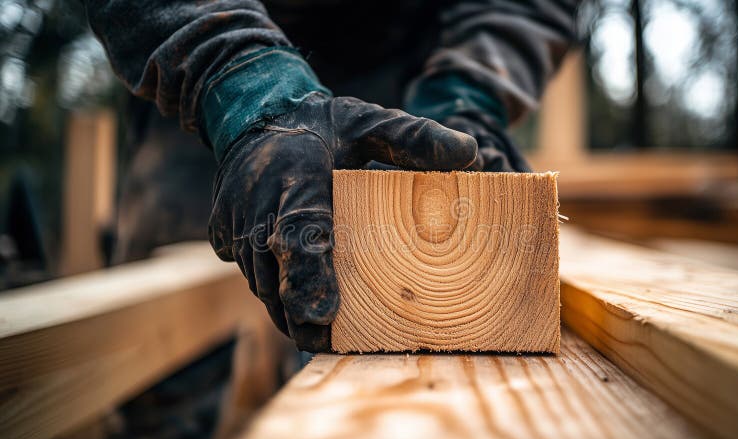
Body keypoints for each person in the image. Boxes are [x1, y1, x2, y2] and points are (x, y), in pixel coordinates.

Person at [85, 0, 578, 351]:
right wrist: (250, 92)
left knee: (374, 310)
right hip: (211, 48)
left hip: (408, 61)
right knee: (164, 345)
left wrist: (469, 93)